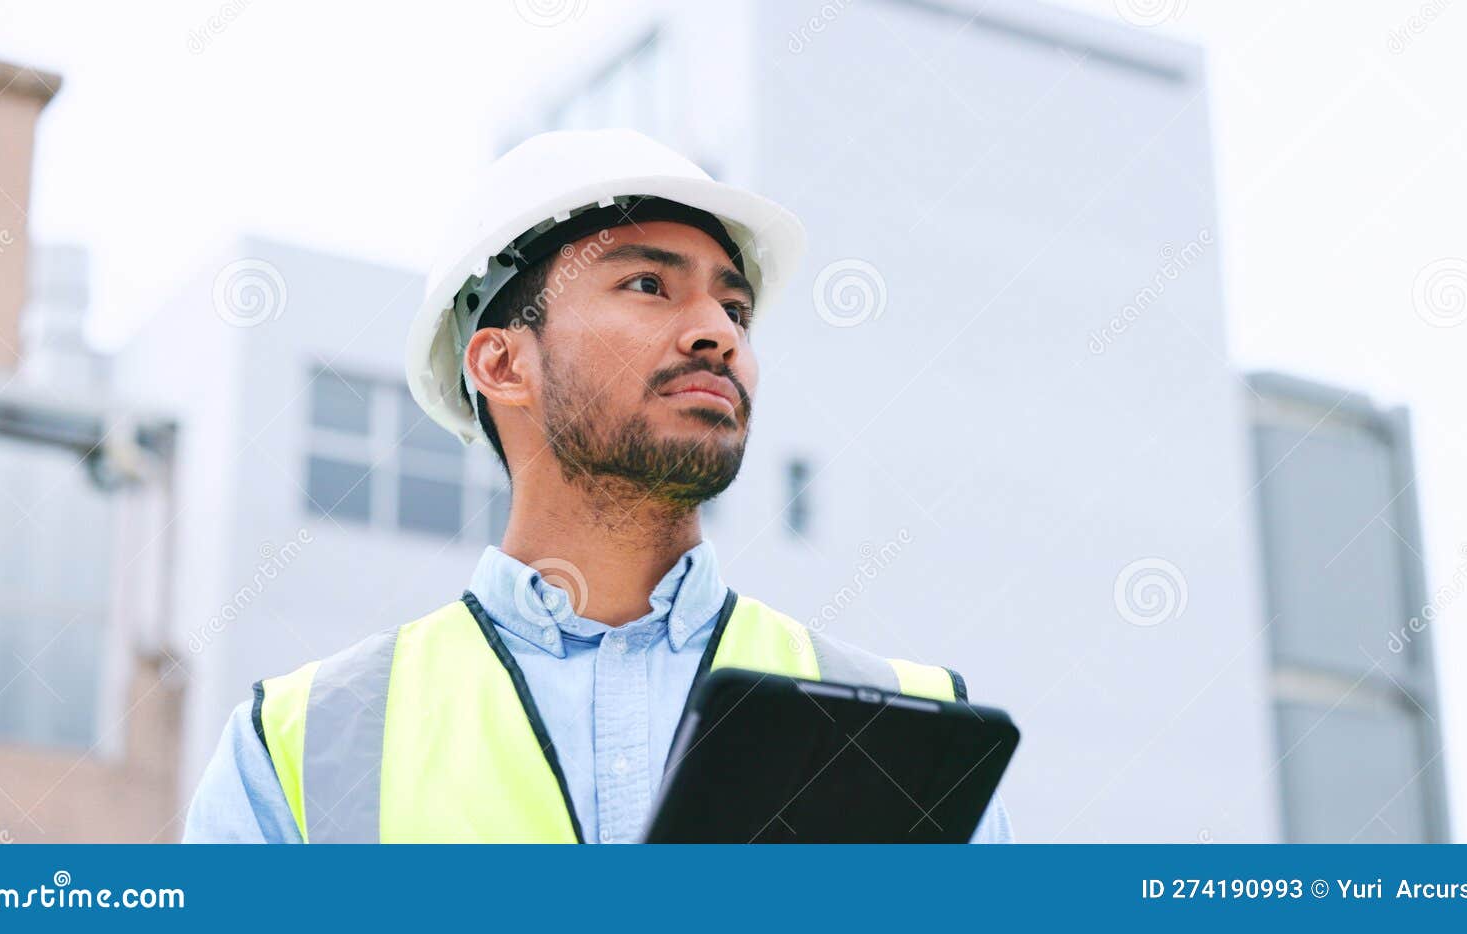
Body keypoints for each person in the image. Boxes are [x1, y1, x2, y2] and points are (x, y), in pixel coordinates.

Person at [182, 129, 1013, 843]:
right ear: (503, 363)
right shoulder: (302, 743)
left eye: (737, 309)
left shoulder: (913, 727)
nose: (717, 334)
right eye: (648, 285)